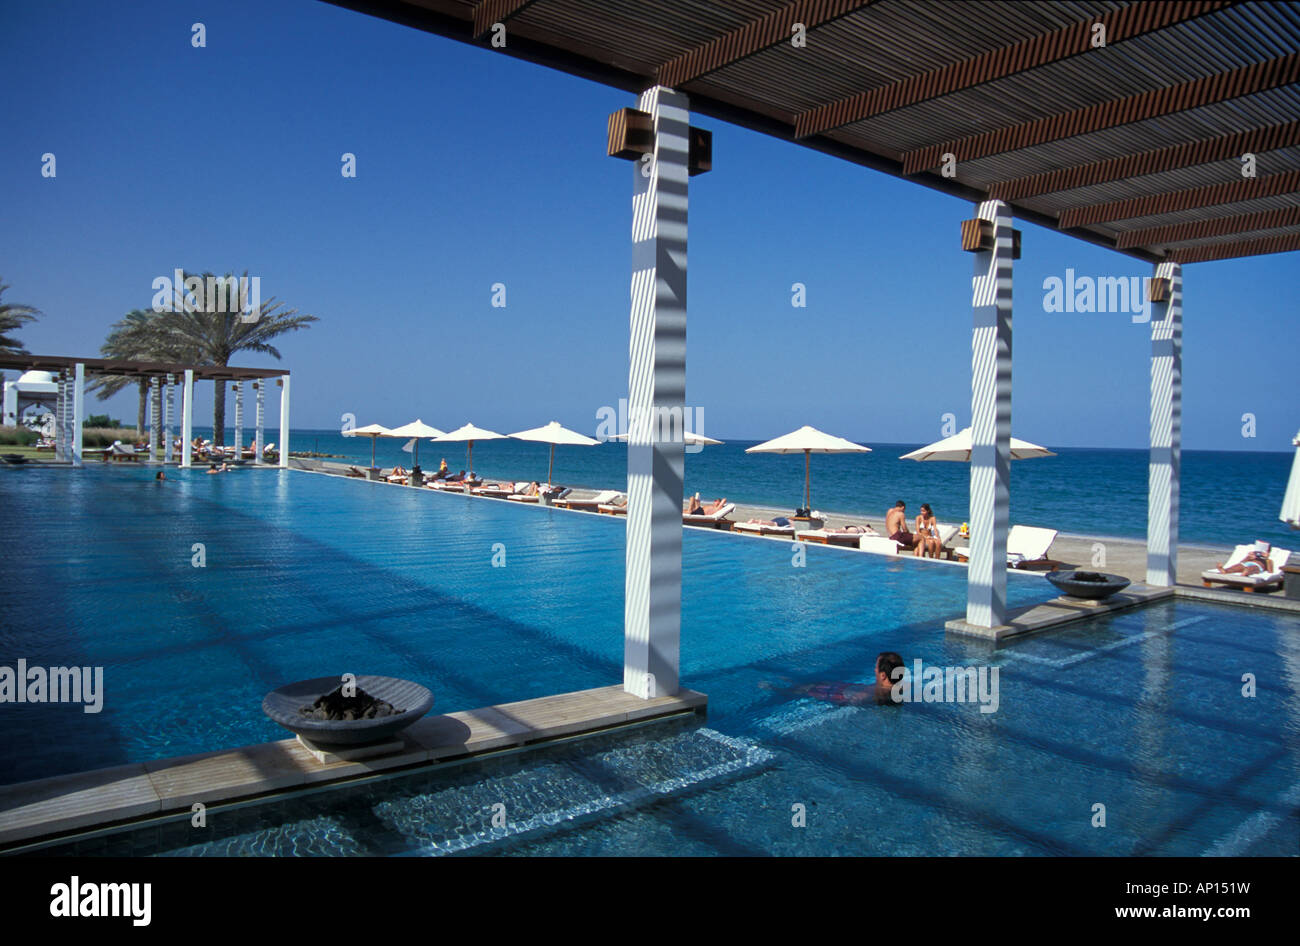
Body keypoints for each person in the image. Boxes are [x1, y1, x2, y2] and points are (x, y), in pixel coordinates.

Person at [761, 652, 906, 707]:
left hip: (840, 694)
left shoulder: (870, 694)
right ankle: (786, 682)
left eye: (876, 667)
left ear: (883, 675)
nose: (874, 670)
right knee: (814, 685)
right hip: (847, 687)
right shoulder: (896, 687)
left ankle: (773, 688)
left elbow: (852, 702)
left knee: (804, 690)